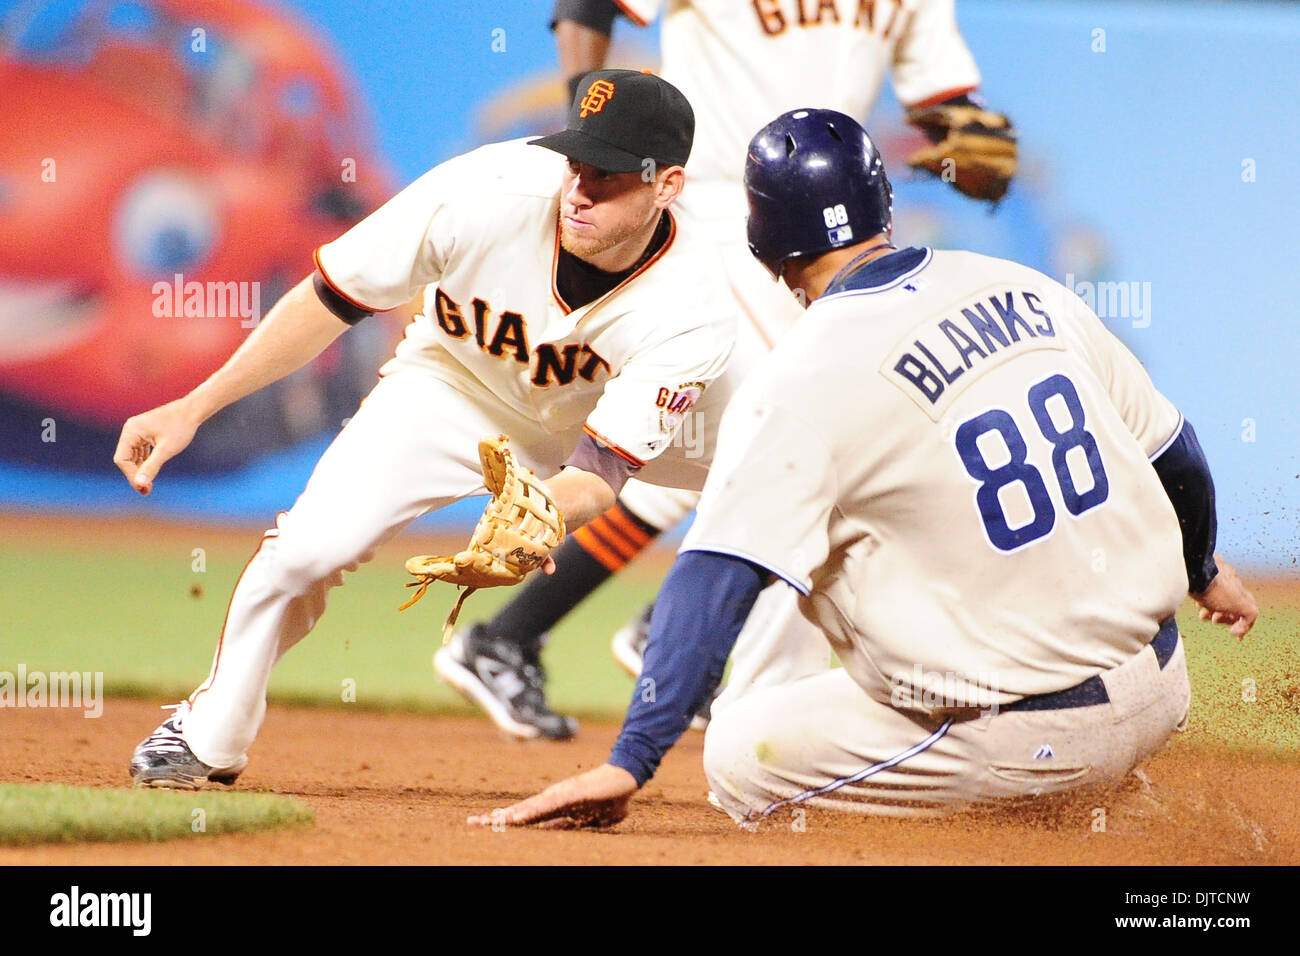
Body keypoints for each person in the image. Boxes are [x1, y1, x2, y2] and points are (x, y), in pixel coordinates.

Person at [468, 108, 1258, 828]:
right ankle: (1098, 788)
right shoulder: (1021, 285)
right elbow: (1173, 450)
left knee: (741, 755)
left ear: (763, 237)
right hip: (1161, 682)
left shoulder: (801, 380)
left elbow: (714, 578)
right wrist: (1201, 567)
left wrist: (629, 761)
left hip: (1033, 736)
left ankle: (1038, 810)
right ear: (883, 203)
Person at [117, 70, 748, 787]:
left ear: (666, 186)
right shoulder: (485, 192)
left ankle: (784, 711)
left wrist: (540, 514)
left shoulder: (693, 303)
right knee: (303, 552)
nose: (579, 189)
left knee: (782, 486)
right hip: (453, 387)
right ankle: (207, 736)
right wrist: (194, 406)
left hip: (618, 425)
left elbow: (601, 472)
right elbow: (329, 300)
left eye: (607, 176)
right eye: (577, 163)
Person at [441, 0, 1019, 741]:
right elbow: (584, 7)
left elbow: (946, 110)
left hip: (816, 226)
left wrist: (961, 152)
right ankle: (645, 635)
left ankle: (546, 636)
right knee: (799, 444)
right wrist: (594, 124)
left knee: (749, 444)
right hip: (710, 206)